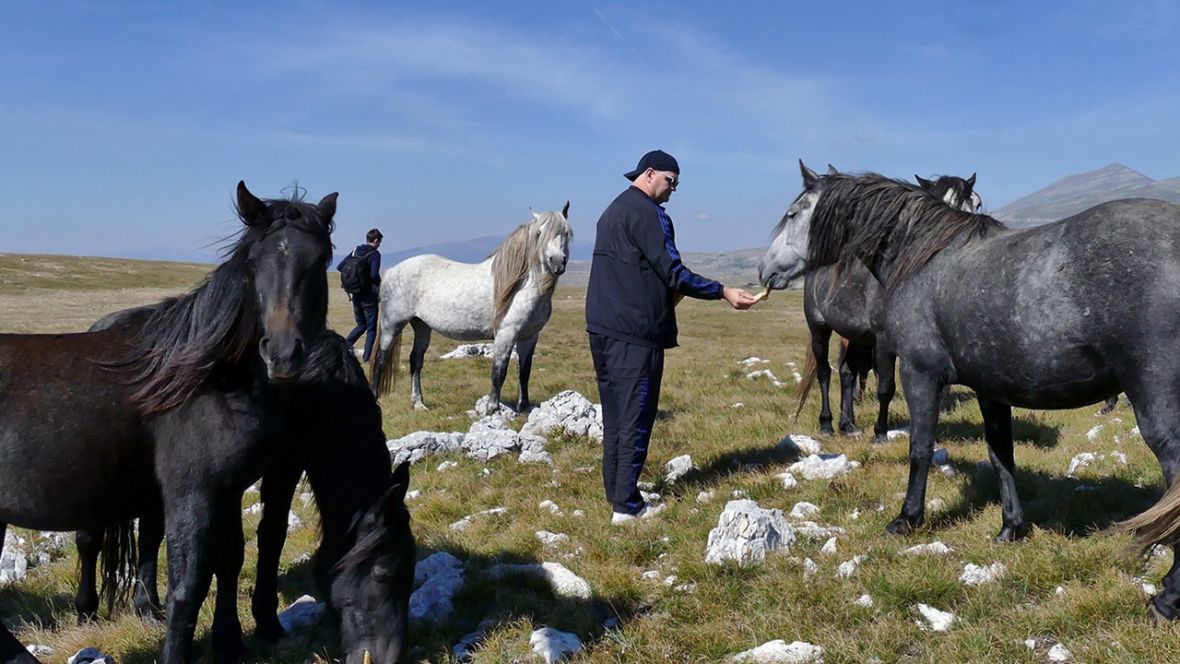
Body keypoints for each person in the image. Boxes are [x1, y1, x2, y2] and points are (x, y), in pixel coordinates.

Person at [585, 149, 758, 524]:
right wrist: (722, 291)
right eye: (670, 182)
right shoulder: (650, 215)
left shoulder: (612, 210)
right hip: (636, 333)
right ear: (649, 174)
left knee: (615, 418)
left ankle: (617, 494)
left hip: (602, 329)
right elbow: (674, 273)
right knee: (635, 417)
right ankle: (628, 507)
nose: (672, 191)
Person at [339, 228, 383, 361]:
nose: (380, 245)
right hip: (369, 296)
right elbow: (374, 274)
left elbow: (340, 266)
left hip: (356, 294)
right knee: (371, 328)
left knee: (361, 325)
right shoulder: (375, 254)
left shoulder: (355, 251)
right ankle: (367, 357)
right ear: (375, 240)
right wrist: (380, 284)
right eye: (379, 242)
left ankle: (343, 347)